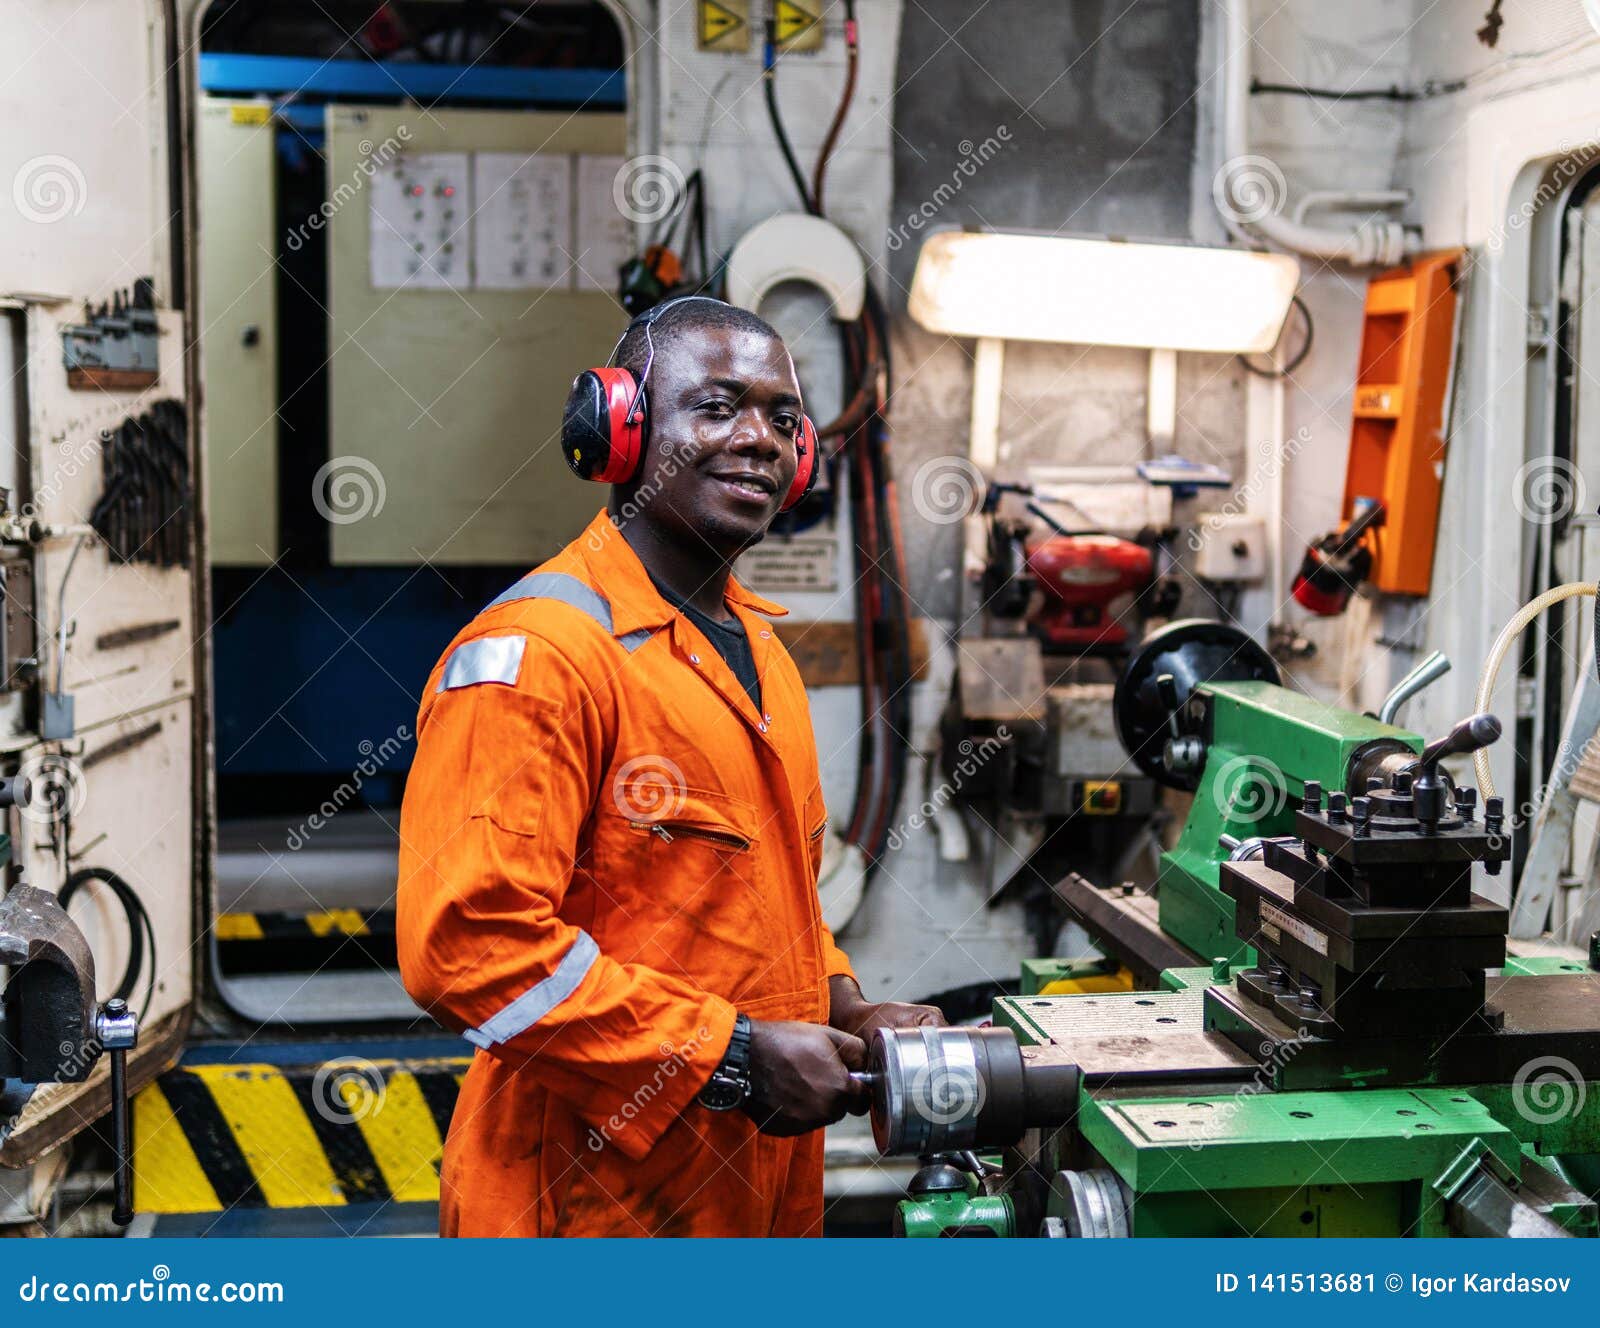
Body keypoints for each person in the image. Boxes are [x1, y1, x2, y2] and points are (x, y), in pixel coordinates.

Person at [396, 296, 943, 1237]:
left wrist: (849, 1009)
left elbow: (772, 904)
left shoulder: (760, 653)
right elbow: (468, 950)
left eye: (782, 417)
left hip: (757, 1195)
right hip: (586, 1207)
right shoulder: (541, 656)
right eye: (717, 406)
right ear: (620, 430)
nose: (760, 439)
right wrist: (730, 1058)